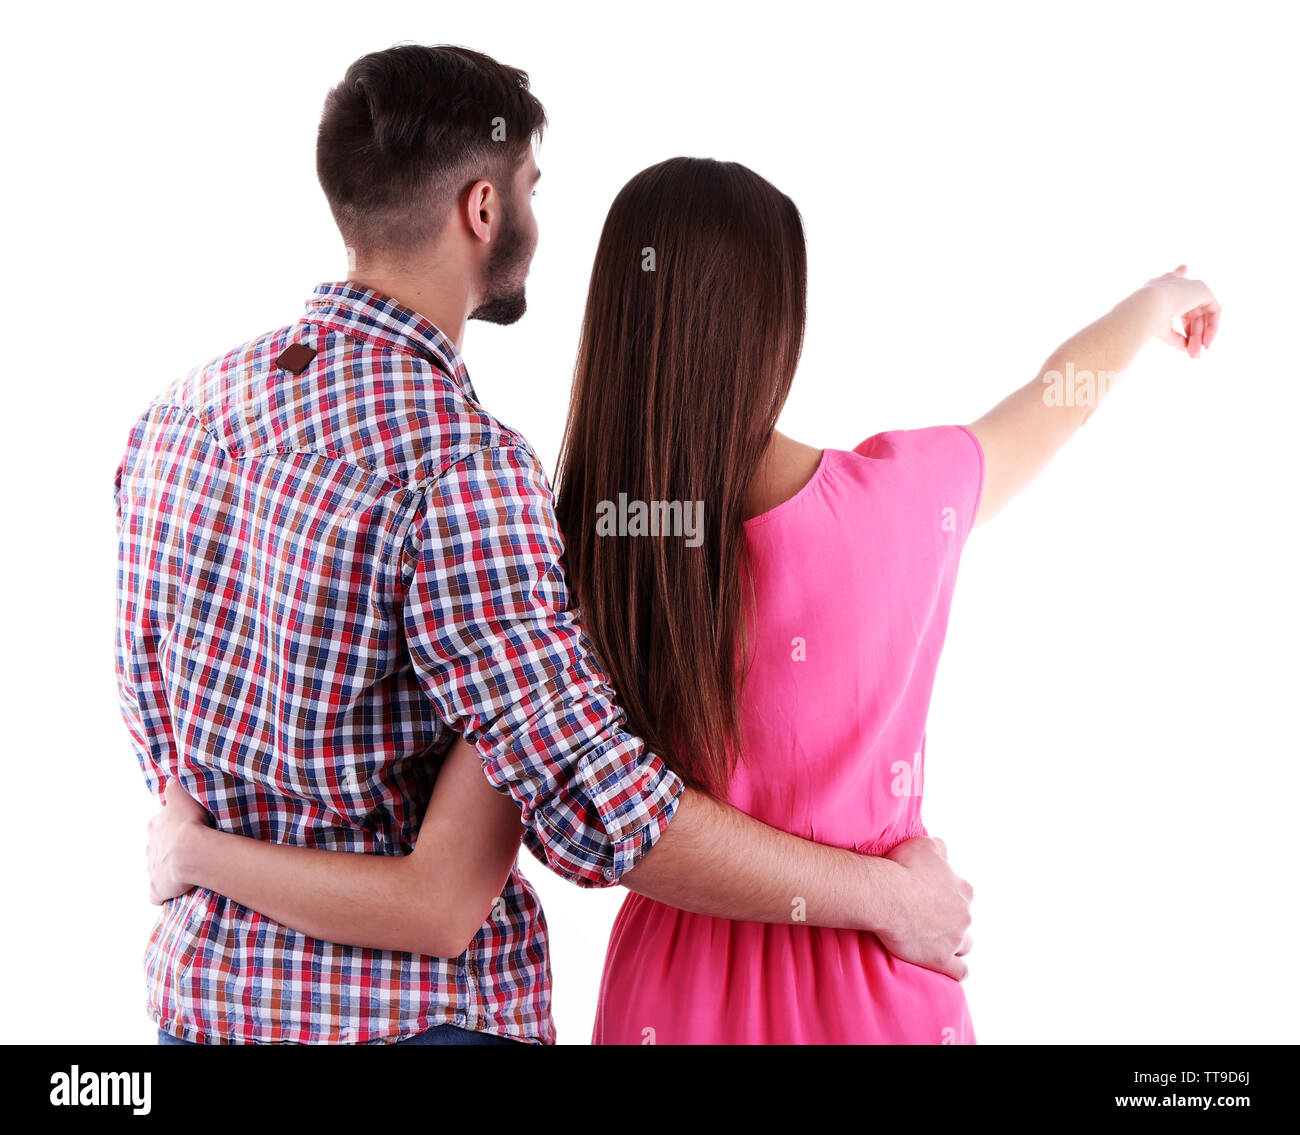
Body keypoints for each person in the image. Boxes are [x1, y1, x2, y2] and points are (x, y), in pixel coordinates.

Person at [120, 44, 973, 1047]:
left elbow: (159, 732)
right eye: (530, 185)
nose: (533, 214)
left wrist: (199, 855)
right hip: (411, 1027)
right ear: (482, 208)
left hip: (195, 1009)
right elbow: (598, 811)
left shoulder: (180, 415)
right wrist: (888, 896)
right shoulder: (458, 467)